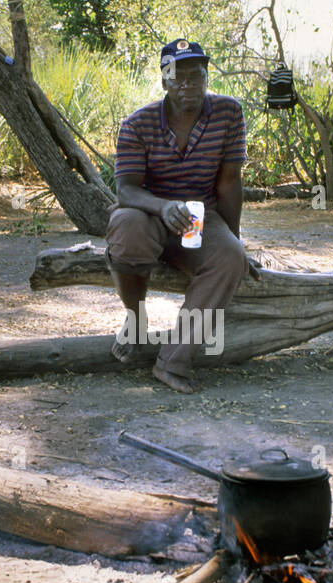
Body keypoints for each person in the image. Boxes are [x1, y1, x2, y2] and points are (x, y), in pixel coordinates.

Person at [106, 38, 256, 395]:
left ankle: (174, 359)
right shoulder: (136, 124)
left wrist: (235, 241)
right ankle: (136, 320)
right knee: (127, 228)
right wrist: (163, 206)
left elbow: (229, 183)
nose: (187, 83)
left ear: (206, 77)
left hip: (201, 218)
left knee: (229, 258)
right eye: (177, 76)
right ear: (164, 81)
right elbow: (125, 190)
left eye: (196, 75)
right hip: (149, 214)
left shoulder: (228, 113)